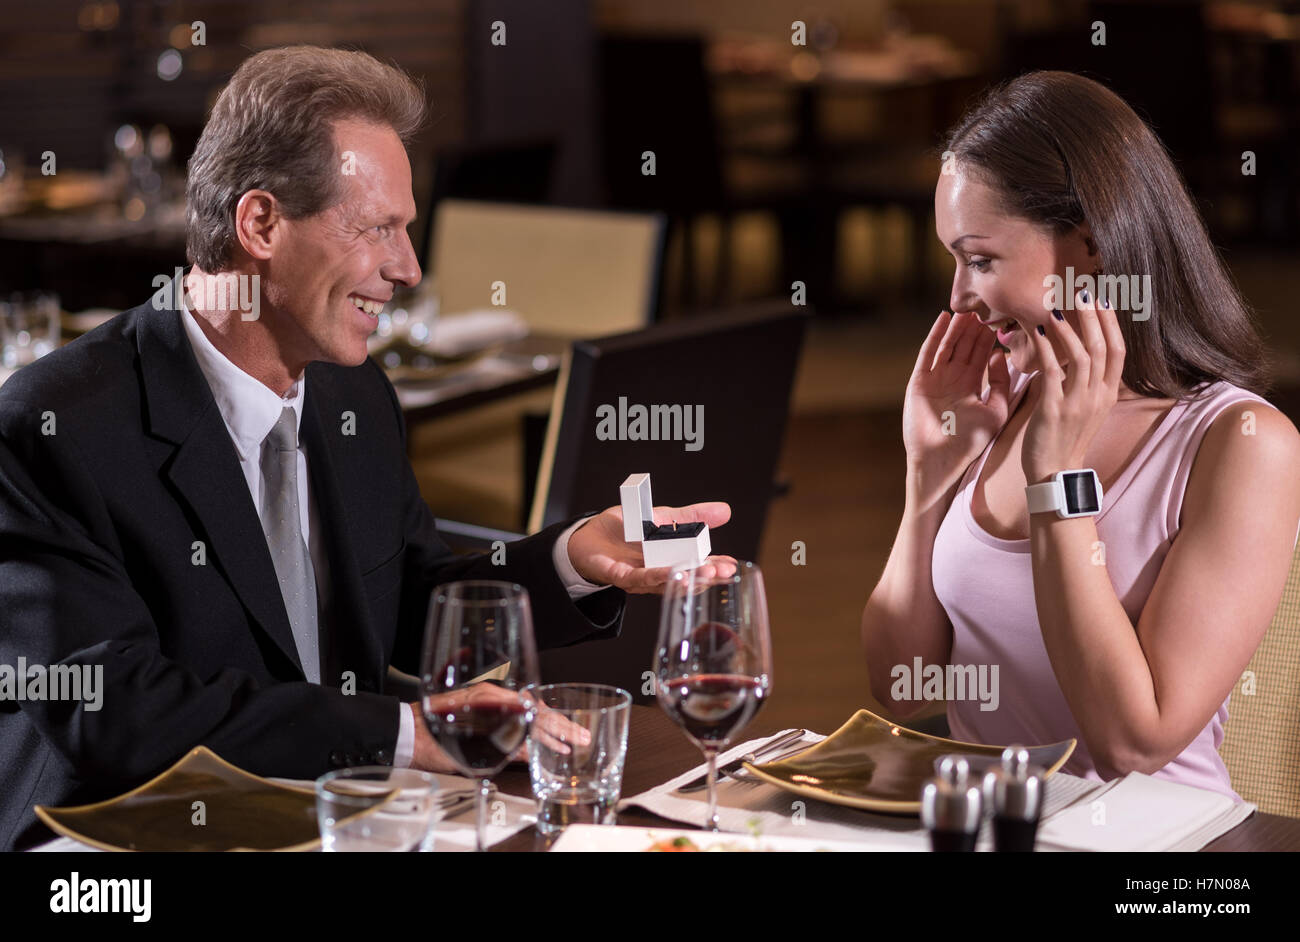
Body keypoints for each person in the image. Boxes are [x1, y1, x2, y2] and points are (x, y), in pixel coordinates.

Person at [0, 46, 732, 851]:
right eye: (378, 228)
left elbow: (412, 598)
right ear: (261, 224)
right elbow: (112, 711)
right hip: (113, 842)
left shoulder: (352, 393)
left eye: (406, 230)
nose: (408, 268)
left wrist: (569, 557)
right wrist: (406, 734)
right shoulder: (54, 426)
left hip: (331, 816)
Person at [860, 71, 1300, 799]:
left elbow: (1135, 741)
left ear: (1090, 247)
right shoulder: (1006, 407)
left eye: (980, 259)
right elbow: (903, 687)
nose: (958, 297)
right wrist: (929, 473)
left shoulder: (1243, 442)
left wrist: (1057, 481)